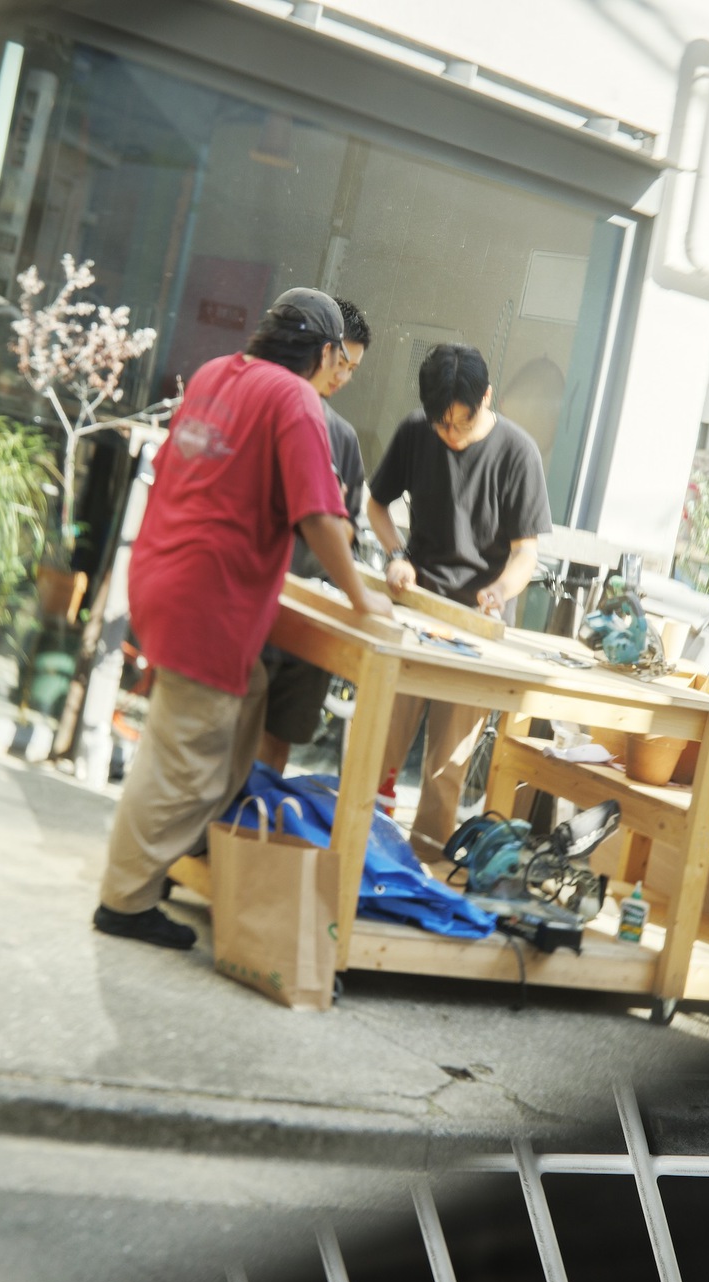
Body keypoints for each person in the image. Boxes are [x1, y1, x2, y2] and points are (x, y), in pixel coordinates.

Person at [94, 289, 394, 951]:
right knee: (181, 758)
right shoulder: (294, 400)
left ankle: (175, 856)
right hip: (209, 598)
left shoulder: (215, 375)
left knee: (237, 717)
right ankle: (125, 898)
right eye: (337, 359)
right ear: (321, 352)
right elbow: (320, 516)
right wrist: (361, 597)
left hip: (166, 575)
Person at [366, 342, 552, 860]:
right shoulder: (414, 432)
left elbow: (525, 554)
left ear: (487, 397)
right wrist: (397, 554)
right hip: (415, 610)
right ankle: (357, 853)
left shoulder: (518, 452)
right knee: (376, 747)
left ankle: (420, 869)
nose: (450, 434)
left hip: (475, 628)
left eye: (461, 423)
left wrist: (499, 590)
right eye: (441, 424)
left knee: (445, 771)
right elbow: (376, 505)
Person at [256, 298, 373, 773]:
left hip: (311, 618)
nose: (342, 377)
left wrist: (343, 530)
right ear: (321, 350)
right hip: (260, 608)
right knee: (232, 737)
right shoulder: (276, 407)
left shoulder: (343, 438)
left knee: (278, 744)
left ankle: (249, 838)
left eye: (354, 369)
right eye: (341, 362)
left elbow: (353, 531)